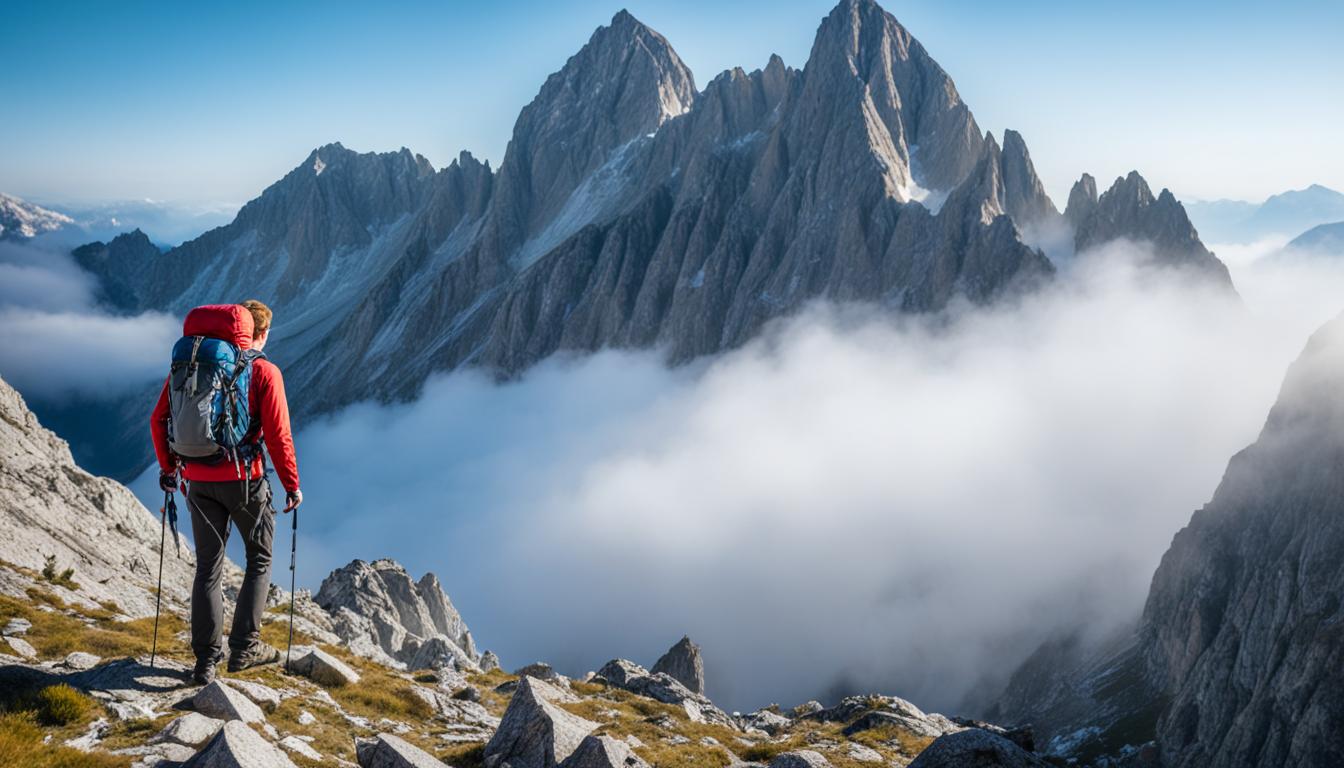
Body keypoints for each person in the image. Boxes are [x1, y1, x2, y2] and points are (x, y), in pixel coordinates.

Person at [150, 300, 302, 685]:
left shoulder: (192, 366)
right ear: (260, 333)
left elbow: (159, 419)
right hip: (244, 481)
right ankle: (244, 649)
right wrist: (291, 485)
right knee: (259, 558)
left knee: (208, 569)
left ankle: (205, 663)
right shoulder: (264, 371)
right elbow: (278, 436)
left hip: (197, 484)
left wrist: (170, 470)